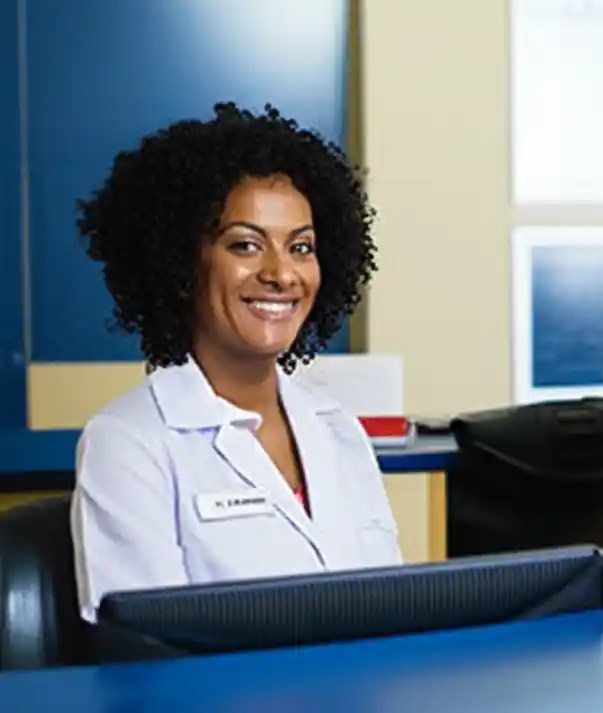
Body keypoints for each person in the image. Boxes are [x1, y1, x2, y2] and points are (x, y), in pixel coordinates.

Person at [71, 103, 400, 623]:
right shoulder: (127, 443)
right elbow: (144, 648)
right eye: (245, 245)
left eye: (301, 247)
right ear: (181, 261)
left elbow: (390, 611)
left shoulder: (337, 429)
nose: (281, 274)